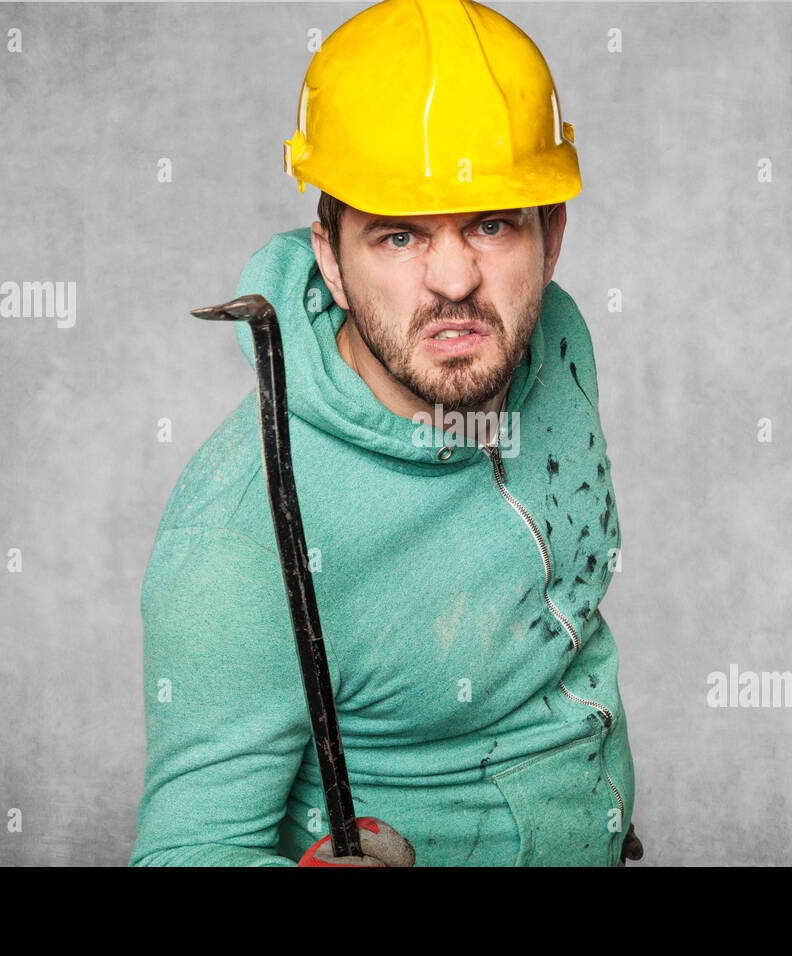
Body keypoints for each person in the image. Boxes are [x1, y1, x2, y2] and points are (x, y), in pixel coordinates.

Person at [129, 0, 641, 867]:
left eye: (491, 222)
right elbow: (185, 855)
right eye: (399, 236)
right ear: (328, 255)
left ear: (552, 235)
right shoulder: (242, 531)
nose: (454, 280)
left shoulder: (555, 336)